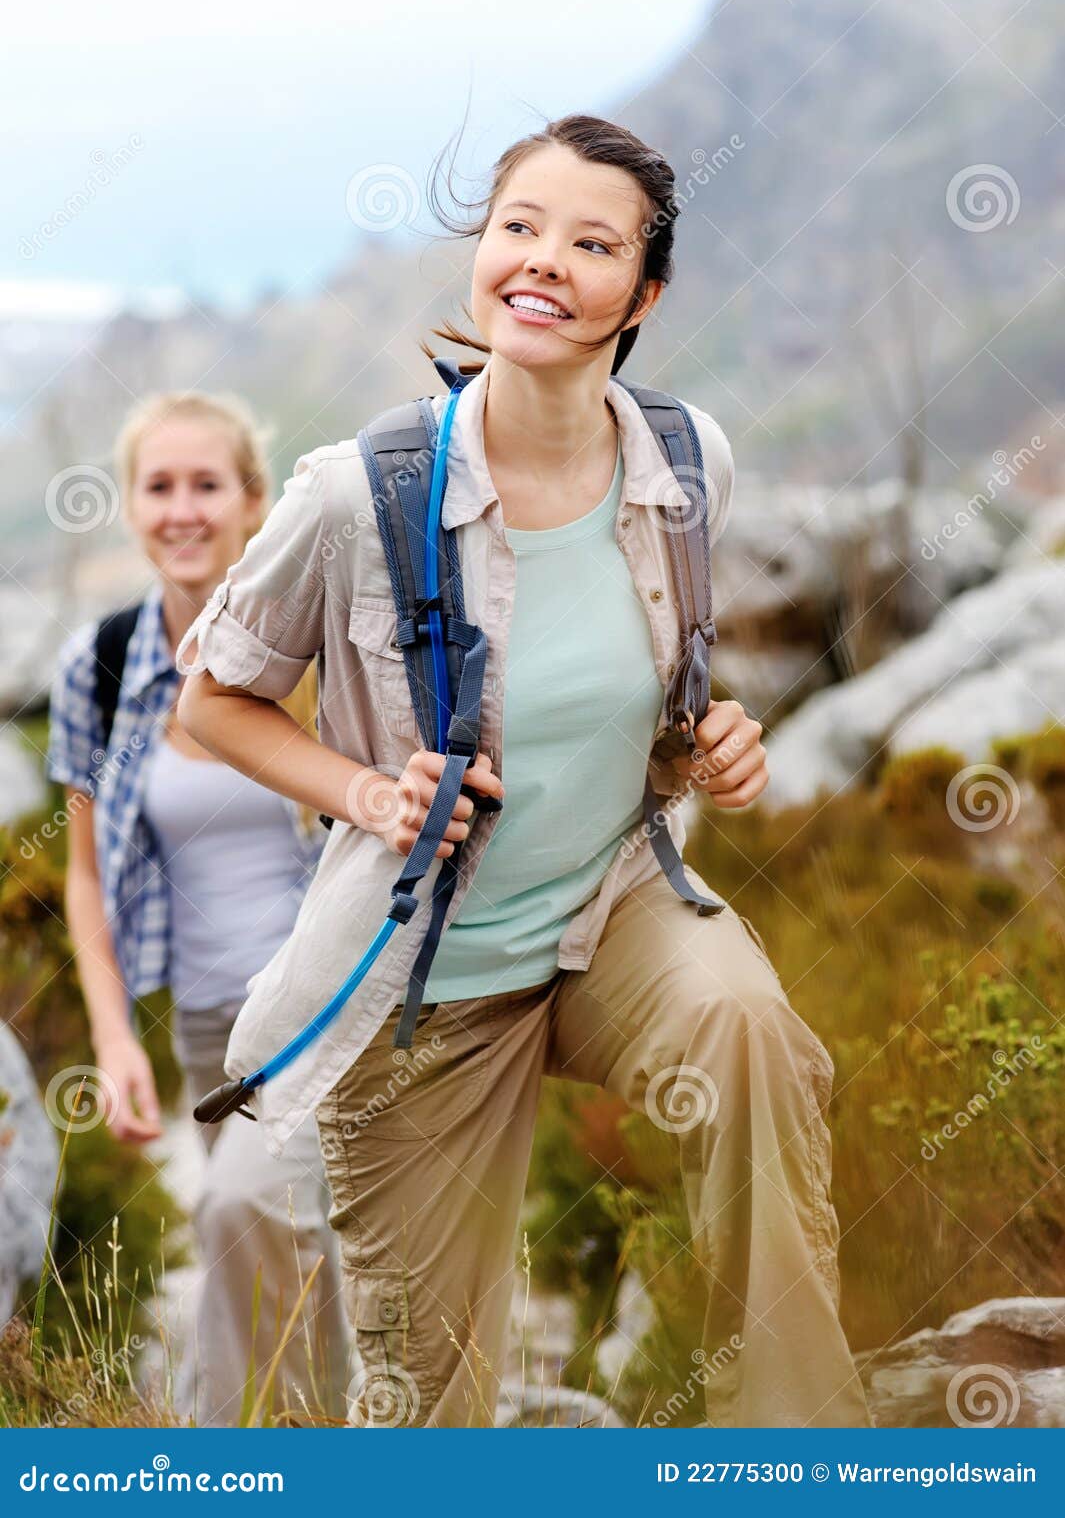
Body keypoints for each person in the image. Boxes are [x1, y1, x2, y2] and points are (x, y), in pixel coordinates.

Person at [175, 115, 872, 1429]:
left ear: (644, 294)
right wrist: (365, 791)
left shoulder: (685, 461)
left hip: (611, 908)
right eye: (519, 228)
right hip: (419, 982)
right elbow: (215, 699)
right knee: (429, 1406)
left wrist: (707, 741)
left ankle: (798, 1441)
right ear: (481, 256)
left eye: (591, 243)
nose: (544, 262)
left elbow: (649, 689)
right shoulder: (356, 495)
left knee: (749, 1035)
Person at [46, 390, 350, 1425]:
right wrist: (111, 1036)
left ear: (254, 501)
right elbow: (83, 874)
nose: (183, 510)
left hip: (331, 1015)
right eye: (159, 486)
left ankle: (214, 1462)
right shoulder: (97, 670)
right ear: (132, 505)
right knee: (296, 1267)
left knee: (237, 1213)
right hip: (212, 1033)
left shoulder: (317, 646)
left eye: (206, 484)